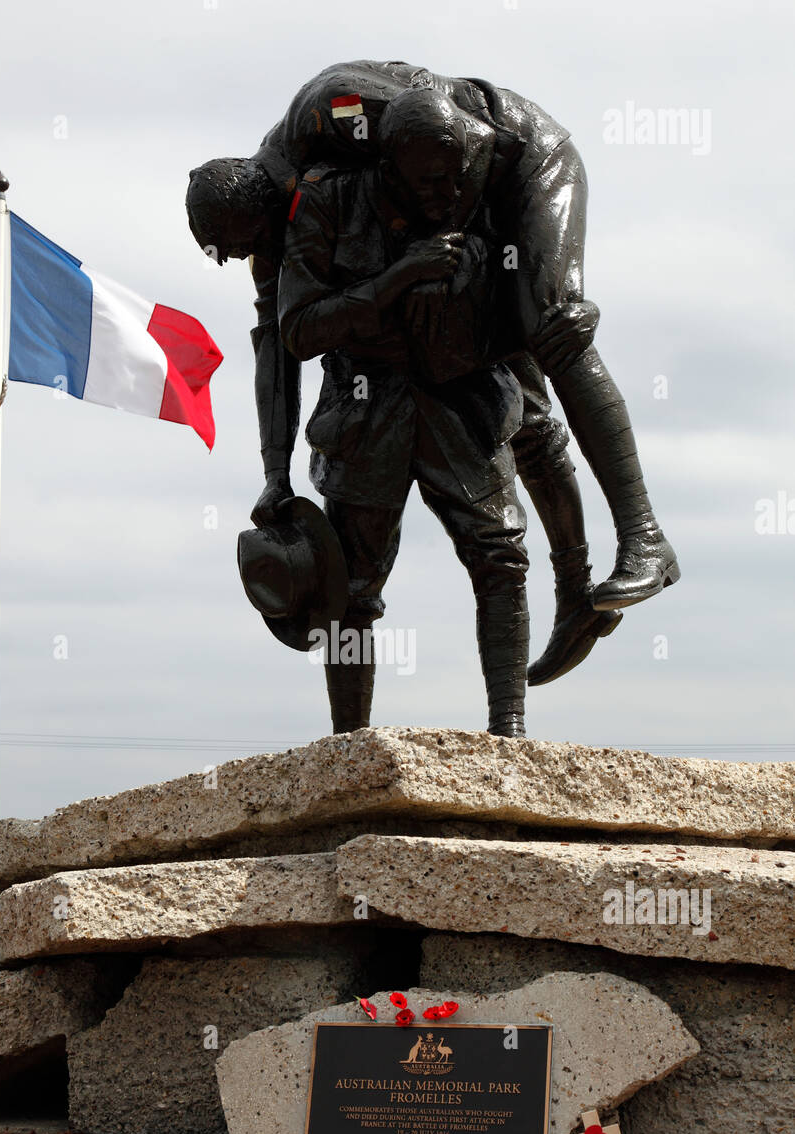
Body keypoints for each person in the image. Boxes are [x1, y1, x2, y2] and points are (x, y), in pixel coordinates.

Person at [186, 61, 679, 686]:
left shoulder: (328, 111)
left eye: (246, 244)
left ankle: (643, 537)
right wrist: (274, 475)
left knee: (551, 325)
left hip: (521, 165)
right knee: (517, 406)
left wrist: (461, 266)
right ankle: (578, 596)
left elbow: (449, 128)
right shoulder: (286, 220)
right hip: (458, 217)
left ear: (259, 204)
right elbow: (280, 349)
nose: (253, 261)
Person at [276, 89, 529, 736]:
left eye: (453, 179)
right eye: (427, 183)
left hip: (462, 400)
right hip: (365, 411)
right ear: (390, 169)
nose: (446, 195)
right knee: (350, 589)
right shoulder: (329, 201)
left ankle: (511, 728)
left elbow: (524, 299)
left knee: (499, 554)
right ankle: (348, 744)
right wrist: (394, 282)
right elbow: (298, 330)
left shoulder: (483, 192)